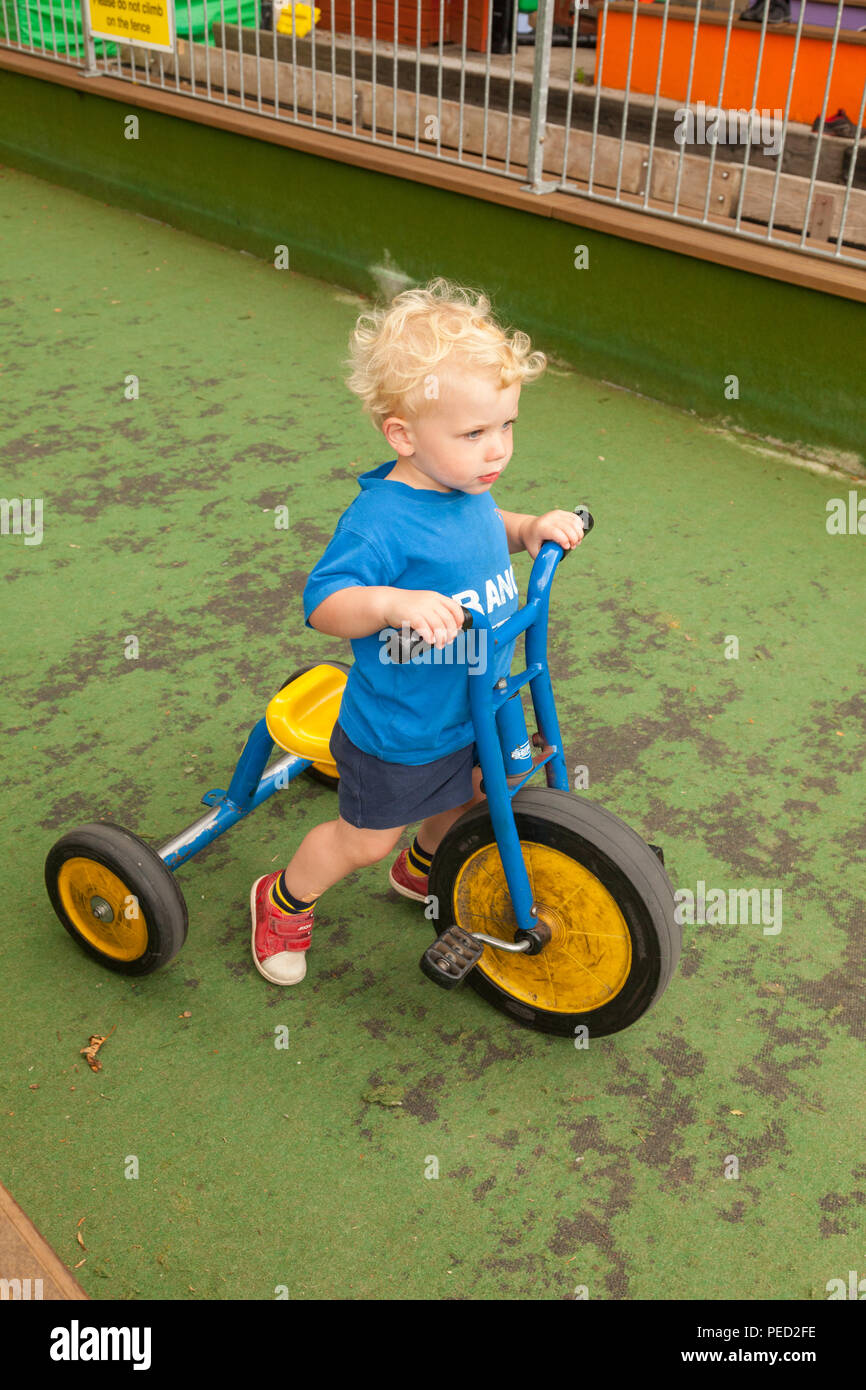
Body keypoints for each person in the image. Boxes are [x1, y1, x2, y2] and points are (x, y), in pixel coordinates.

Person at [249, 276, 585, 984]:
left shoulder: (466, 488)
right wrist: (391, 606)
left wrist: (528, 529)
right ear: (403, 433)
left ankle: (423, 869)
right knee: (363, 841)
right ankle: (283, 900)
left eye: (506, 426)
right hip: (403, 726)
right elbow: (323, 602)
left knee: (468, 798)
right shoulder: (381, 520)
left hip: (476, 701)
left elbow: (481, 529)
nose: (496, 451)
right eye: (473, 433)